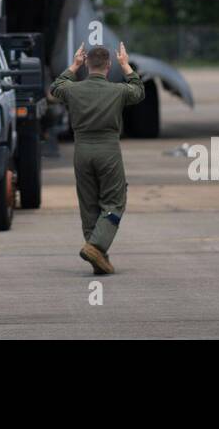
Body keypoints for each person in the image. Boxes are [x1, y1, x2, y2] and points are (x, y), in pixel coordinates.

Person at [50, 42, 144, 275]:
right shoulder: (118, 91)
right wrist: (126, 66)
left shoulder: (73, 90)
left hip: (81, 151)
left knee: (89, 205)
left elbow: (56, 87)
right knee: (114, 202)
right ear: (109, 65)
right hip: (108, 150)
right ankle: (96, 246)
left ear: (87, 65)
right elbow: (139, 92)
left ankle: (99, 258)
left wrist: (73, 65)